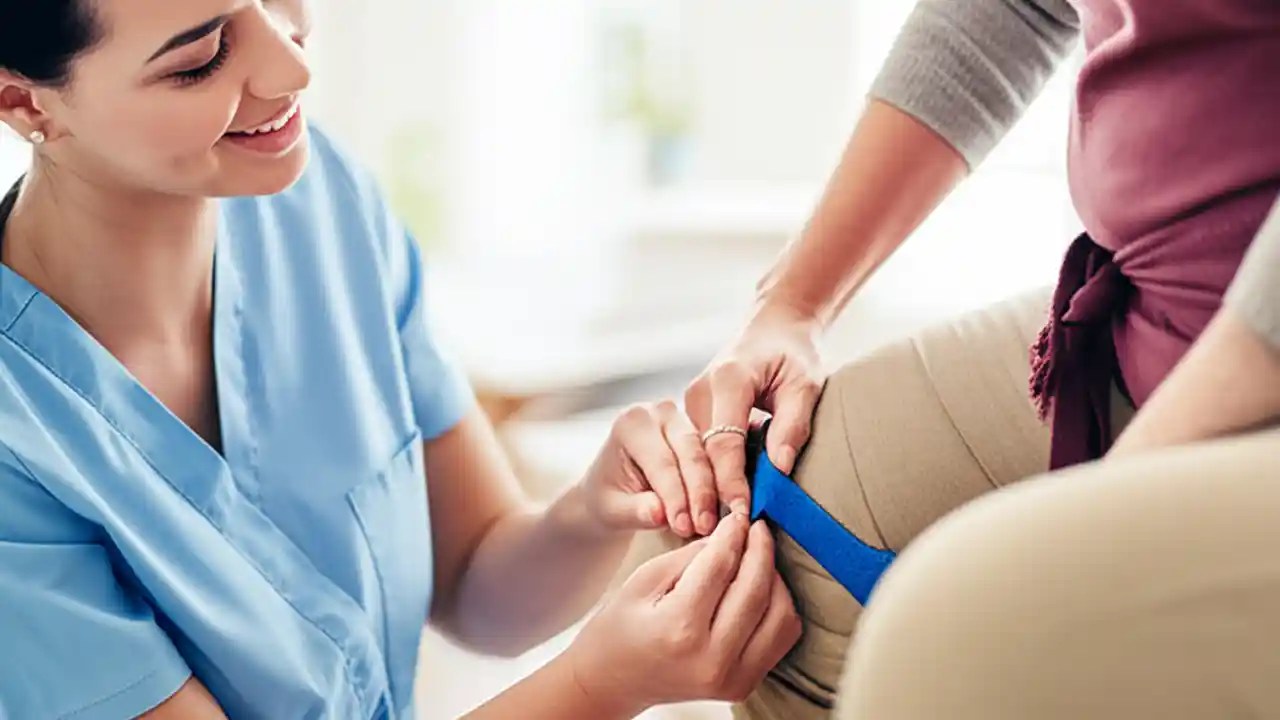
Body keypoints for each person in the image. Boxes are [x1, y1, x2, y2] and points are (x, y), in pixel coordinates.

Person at [0, 2, 803, 718]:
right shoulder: (18, 444)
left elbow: (479, 588)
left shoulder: (324, 204)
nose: (293, 65)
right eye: (202, 56)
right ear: (24, 102)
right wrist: (596, 689)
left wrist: (592, 511)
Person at [679, 0, 1280, 717]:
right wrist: (792, 305)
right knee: (718, 526)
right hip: (1143, 318)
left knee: (949, 636)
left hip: (1249, 367)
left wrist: (1106, 502)